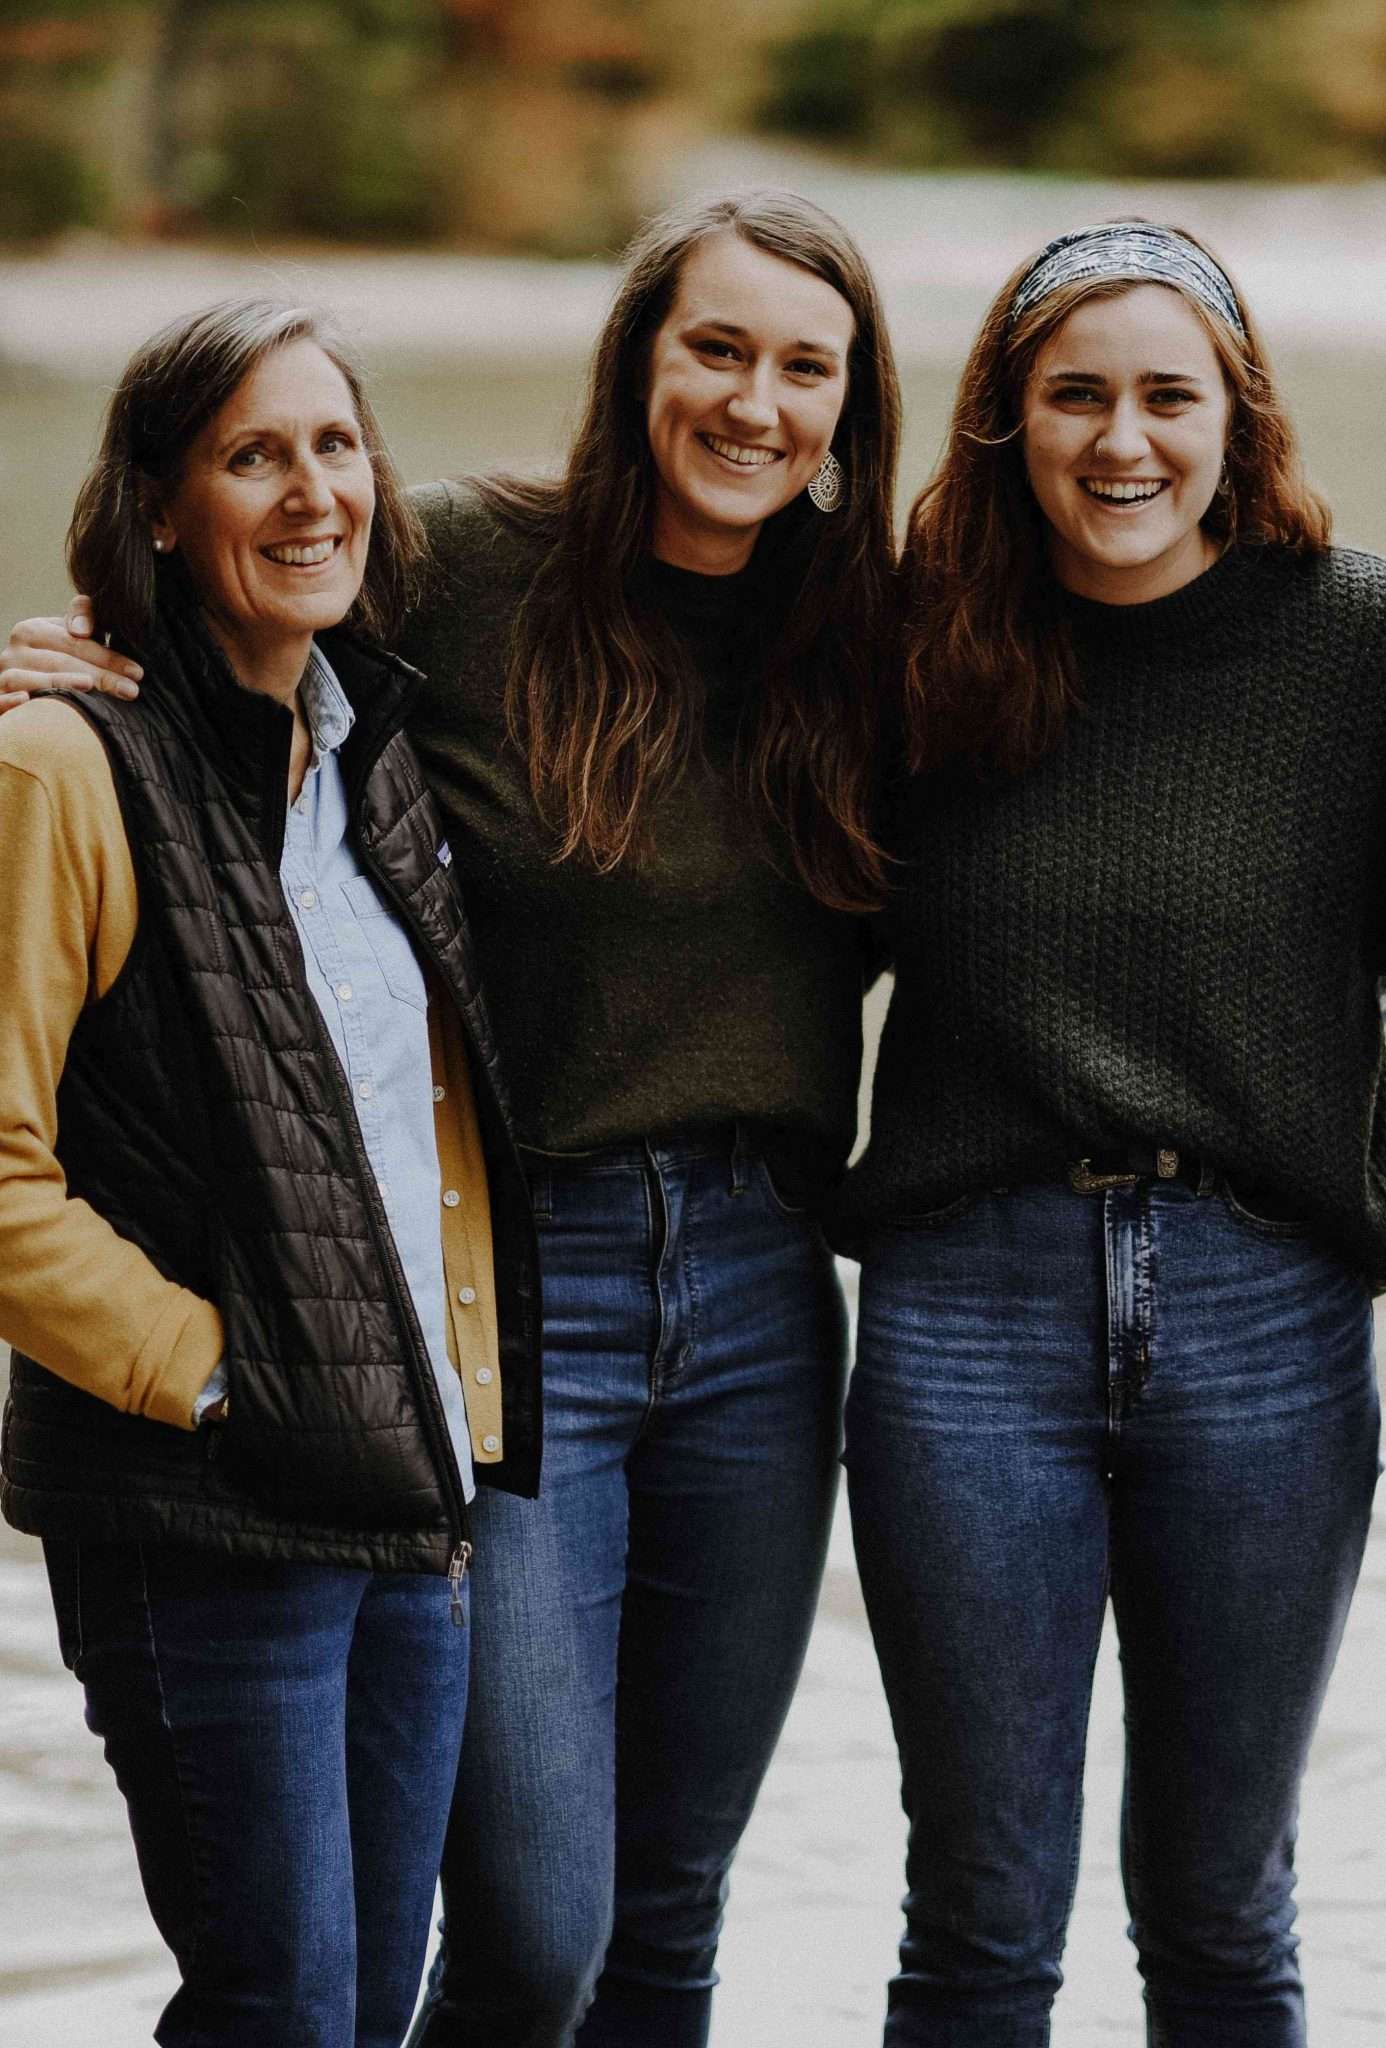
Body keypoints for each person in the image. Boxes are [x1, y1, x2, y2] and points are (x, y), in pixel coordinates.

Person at [2, 189, 902, 2048]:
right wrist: (49, 656)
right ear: (638, 361)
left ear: (850, 409)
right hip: (515, 1283)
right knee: (531, 1917)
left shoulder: (878, 642)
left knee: (661, 1916)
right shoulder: (469, 568)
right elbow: (228, 614)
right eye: (712, 347)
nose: (753, 401)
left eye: (803, 366)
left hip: (758, 1287)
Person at [834, 220, 1386, 2045]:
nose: (1125, 441)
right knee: (978, 1911)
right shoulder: (912, 645)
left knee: (1221, 1908)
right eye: (1077, 394)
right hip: (967, 1321)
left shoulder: (1366, 641)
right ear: (1007, 422)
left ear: (1234, 417)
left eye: (1168, 395)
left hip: (1265, 1321)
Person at [0, 297, 539, 2048]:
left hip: (406, 1500)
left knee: (365, 2011)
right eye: (252, 455)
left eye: (334, 445)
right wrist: (209, 1373)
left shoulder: (367, 756)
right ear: (158, 504)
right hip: (201, 1511)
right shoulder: (61, 761)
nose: (312, 493)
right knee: (281, 2013)